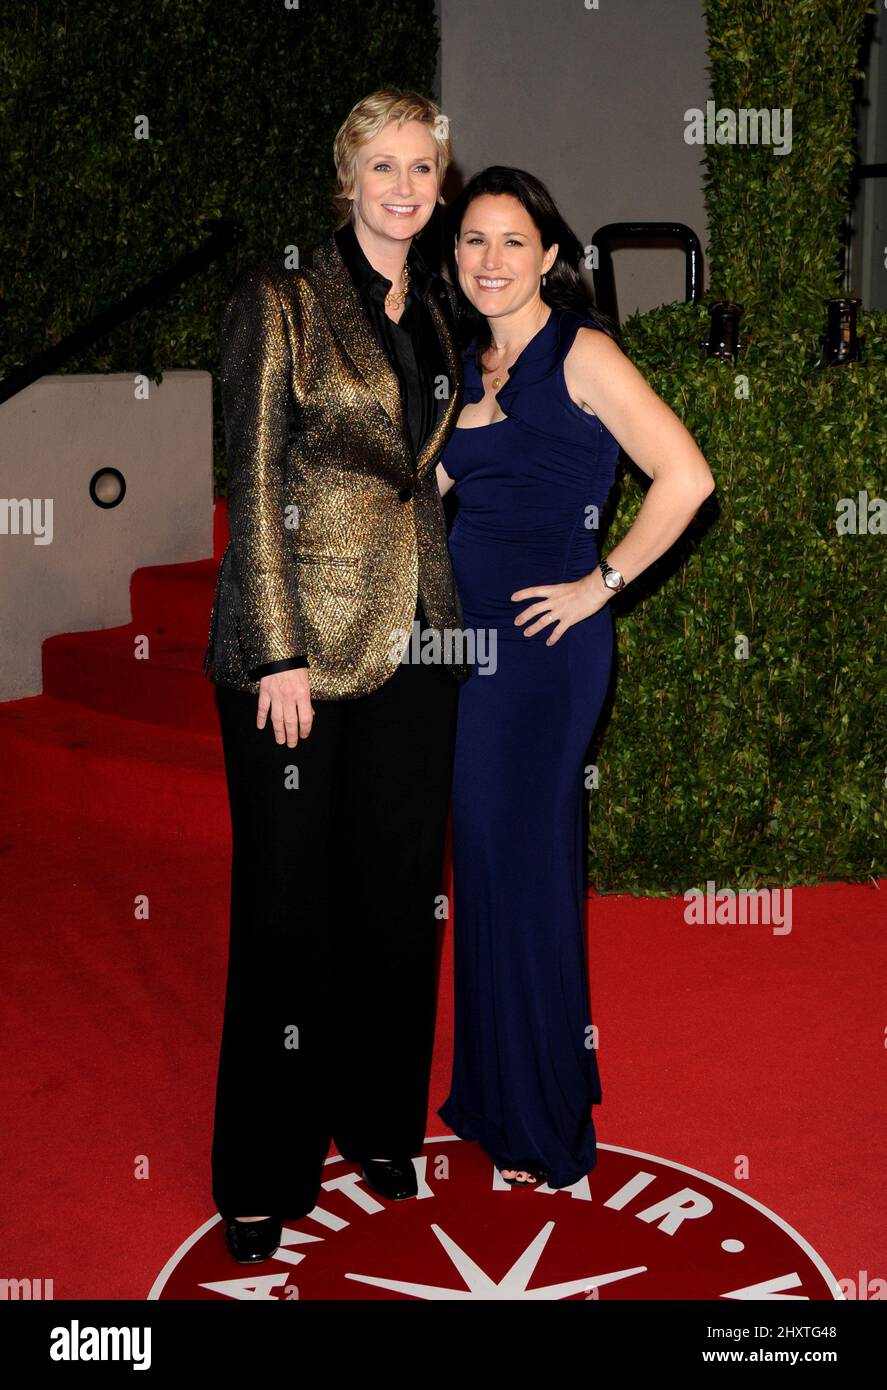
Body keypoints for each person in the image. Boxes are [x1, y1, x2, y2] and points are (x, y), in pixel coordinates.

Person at [202, 90, 470, 1263]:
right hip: (297, 650)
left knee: (396, 900)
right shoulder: (284, 298)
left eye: (422, 168)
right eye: (383, 166)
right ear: (345, 176)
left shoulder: (440, 307)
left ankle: (375, 1123)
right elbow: (251, 482)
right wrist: (276, 650)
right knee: (285, 910)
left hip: (417, 637)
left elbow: (412, 459)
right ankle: (263, 1168)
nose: (403, 187)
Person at [435, 167, 716, 1187]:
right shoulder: (464, 366)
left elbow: (686, 477)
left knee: (533, 865)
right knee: (483, 865)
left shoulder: (583, 353)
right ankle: (491, 1093)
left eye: (512, 241)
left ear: (551, 256)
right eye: (472, 241)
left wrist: (601, 584)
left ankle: (545, 1118)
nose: (490, 260)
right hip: (463, 651)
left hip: (547, 656)